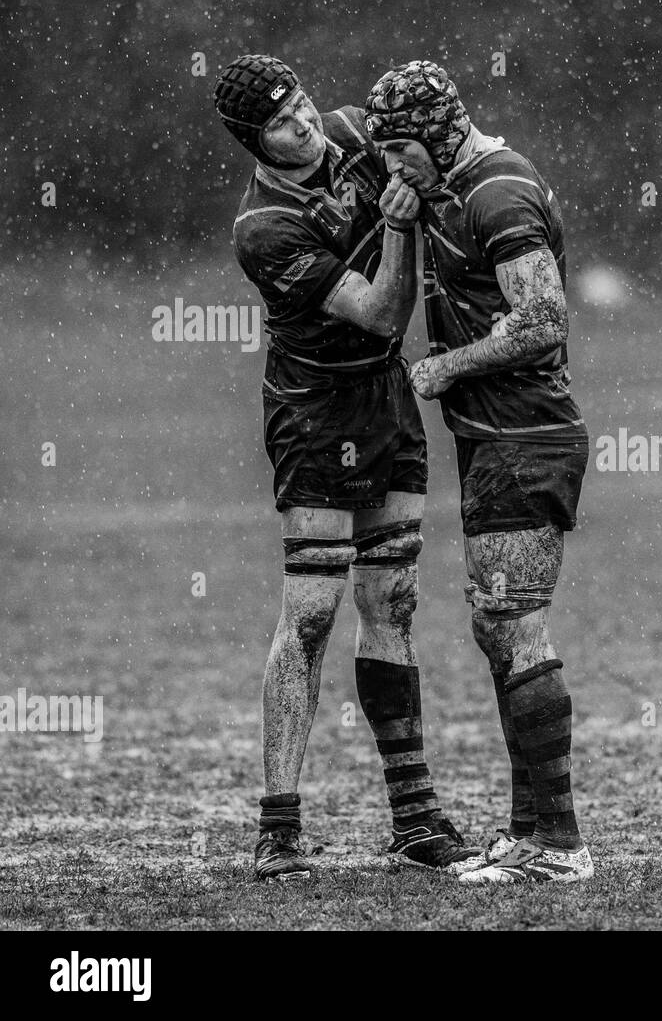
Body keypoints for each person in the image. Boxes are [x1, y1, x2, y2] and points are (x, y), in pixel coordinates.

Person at [214, 54, 480, 879]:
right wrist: (398, 228)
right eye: (279, 122)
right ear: (252, 144)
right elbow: (377, 314)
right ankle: (279, 828)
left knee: (392, 598)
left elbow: (452, 171)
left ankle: (414, 816)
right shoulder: (263, 228)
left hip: (386, 403)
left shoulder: (356, 135)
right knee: (312, 612)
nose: (301, 122)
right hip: (314, 408)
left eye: (300, 103)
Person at [363, 60, 593, 884]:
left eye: (401, 151)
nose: (394, 168)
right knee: (496, 627)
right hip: (496, 440)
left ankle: (562, 848)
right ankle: (528, 832)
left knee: (514, 625)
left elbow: (541, 317)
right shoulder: (452, 187)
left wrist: (445, 366)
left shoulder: (497, 191)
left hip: (526, 438)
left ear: (442, 133)